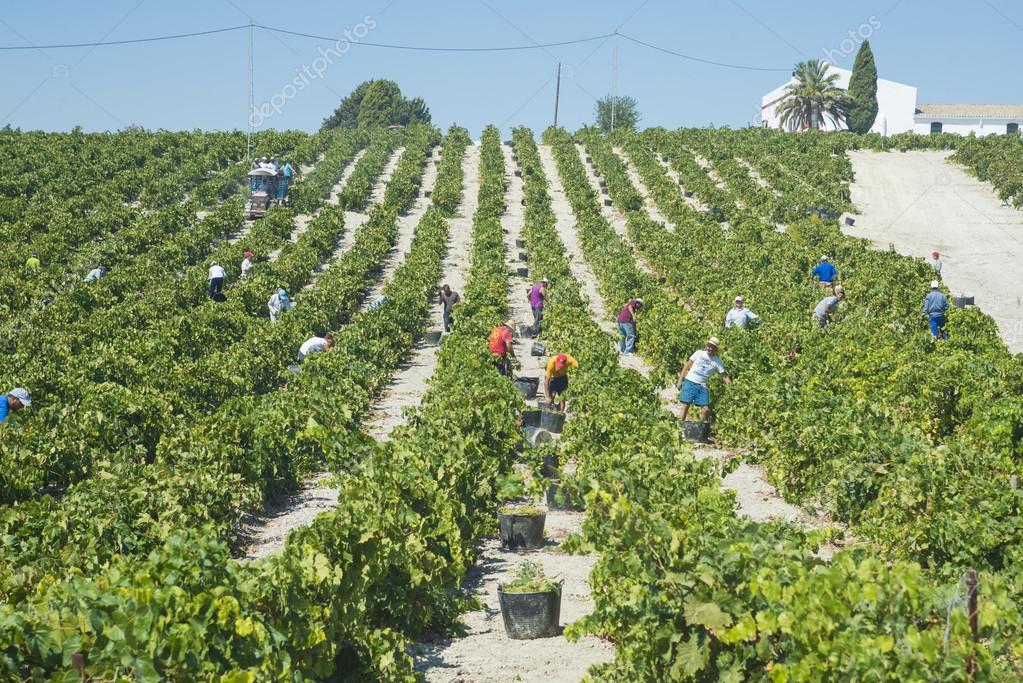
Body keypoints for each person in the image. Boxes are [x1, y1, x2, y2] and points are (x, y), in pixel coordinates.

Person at [678, 337, 731, 423]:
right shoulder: (699, 353)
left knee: (705, 410)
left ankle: (700, 429)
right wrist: (680, 380)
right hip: (690, 382)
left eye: (712, 346)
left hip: (702, 386)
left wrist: (731, 388)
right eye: (709, 345)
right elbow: (687, 366)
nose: (709, 348)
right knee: (685, 406)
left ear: (716, 349)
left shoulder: (717, 361)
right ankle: (678, 428)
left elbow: (724, 376)